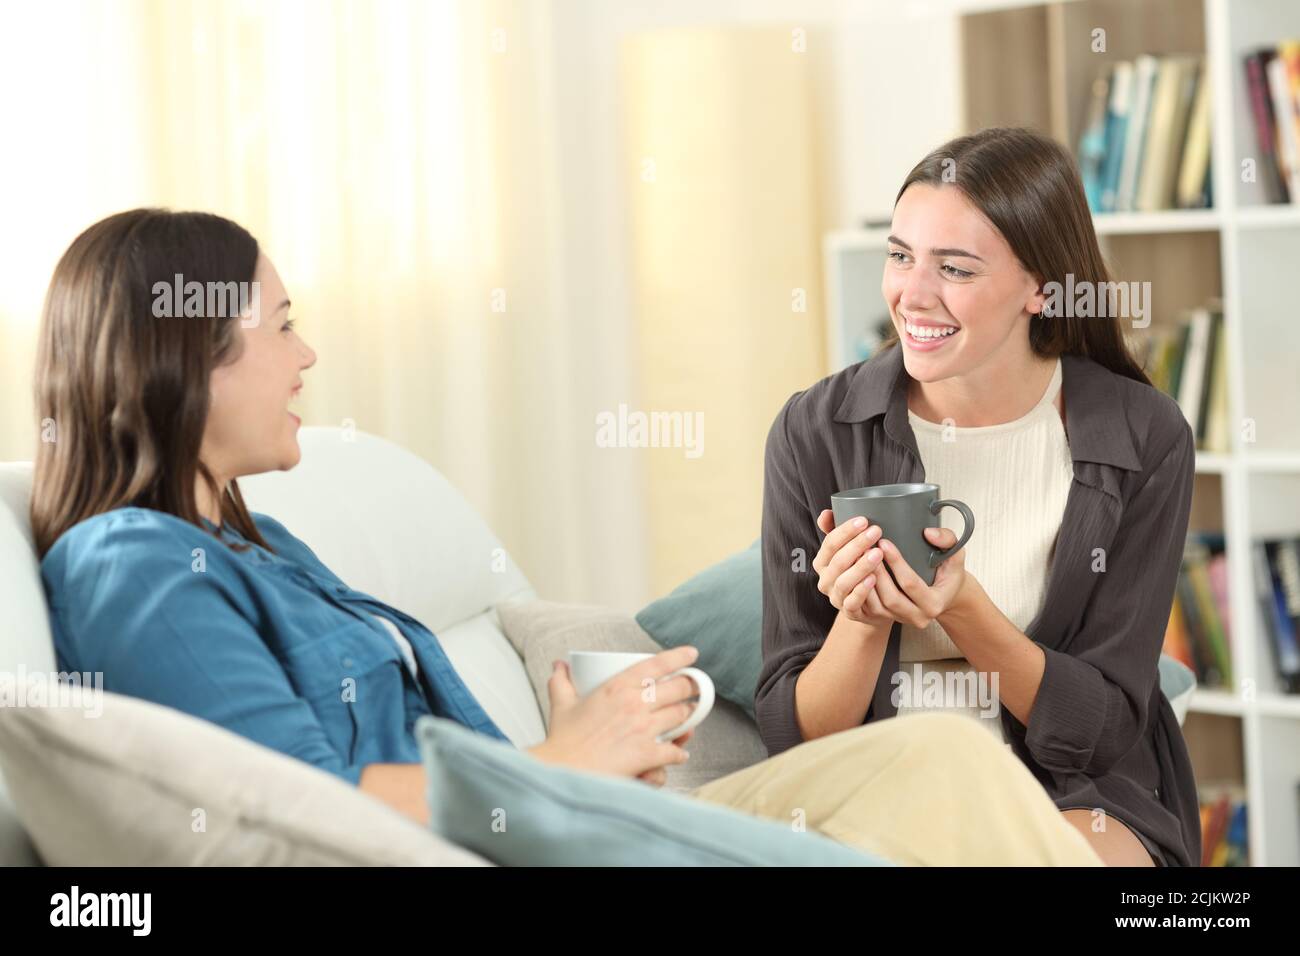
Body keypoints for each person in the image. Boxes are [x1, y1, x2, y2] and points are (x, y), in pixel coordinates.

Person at [32, 206, 1104, 867]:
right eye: (277, 327)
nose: (305, 354)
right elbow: (286, 804)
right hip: (520, 830)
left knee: (937, 757)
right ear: (185, 359)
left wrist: (581, 757)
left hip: (545, 817)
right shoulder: (133, 563)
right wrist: (557, 763)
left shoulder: (260, 546)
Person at [754, 127, 1202, 867]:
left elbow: (1103, 729)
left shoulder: (1141, 436)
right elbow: (797, 741)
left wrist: (962, 609)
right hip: (885, 786)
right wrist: (863, 622)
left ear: (1041, 288)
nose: (912, 295)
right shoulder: (818, 429)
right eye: (900, 256)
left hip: (1076, 792)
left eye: (955, 268)